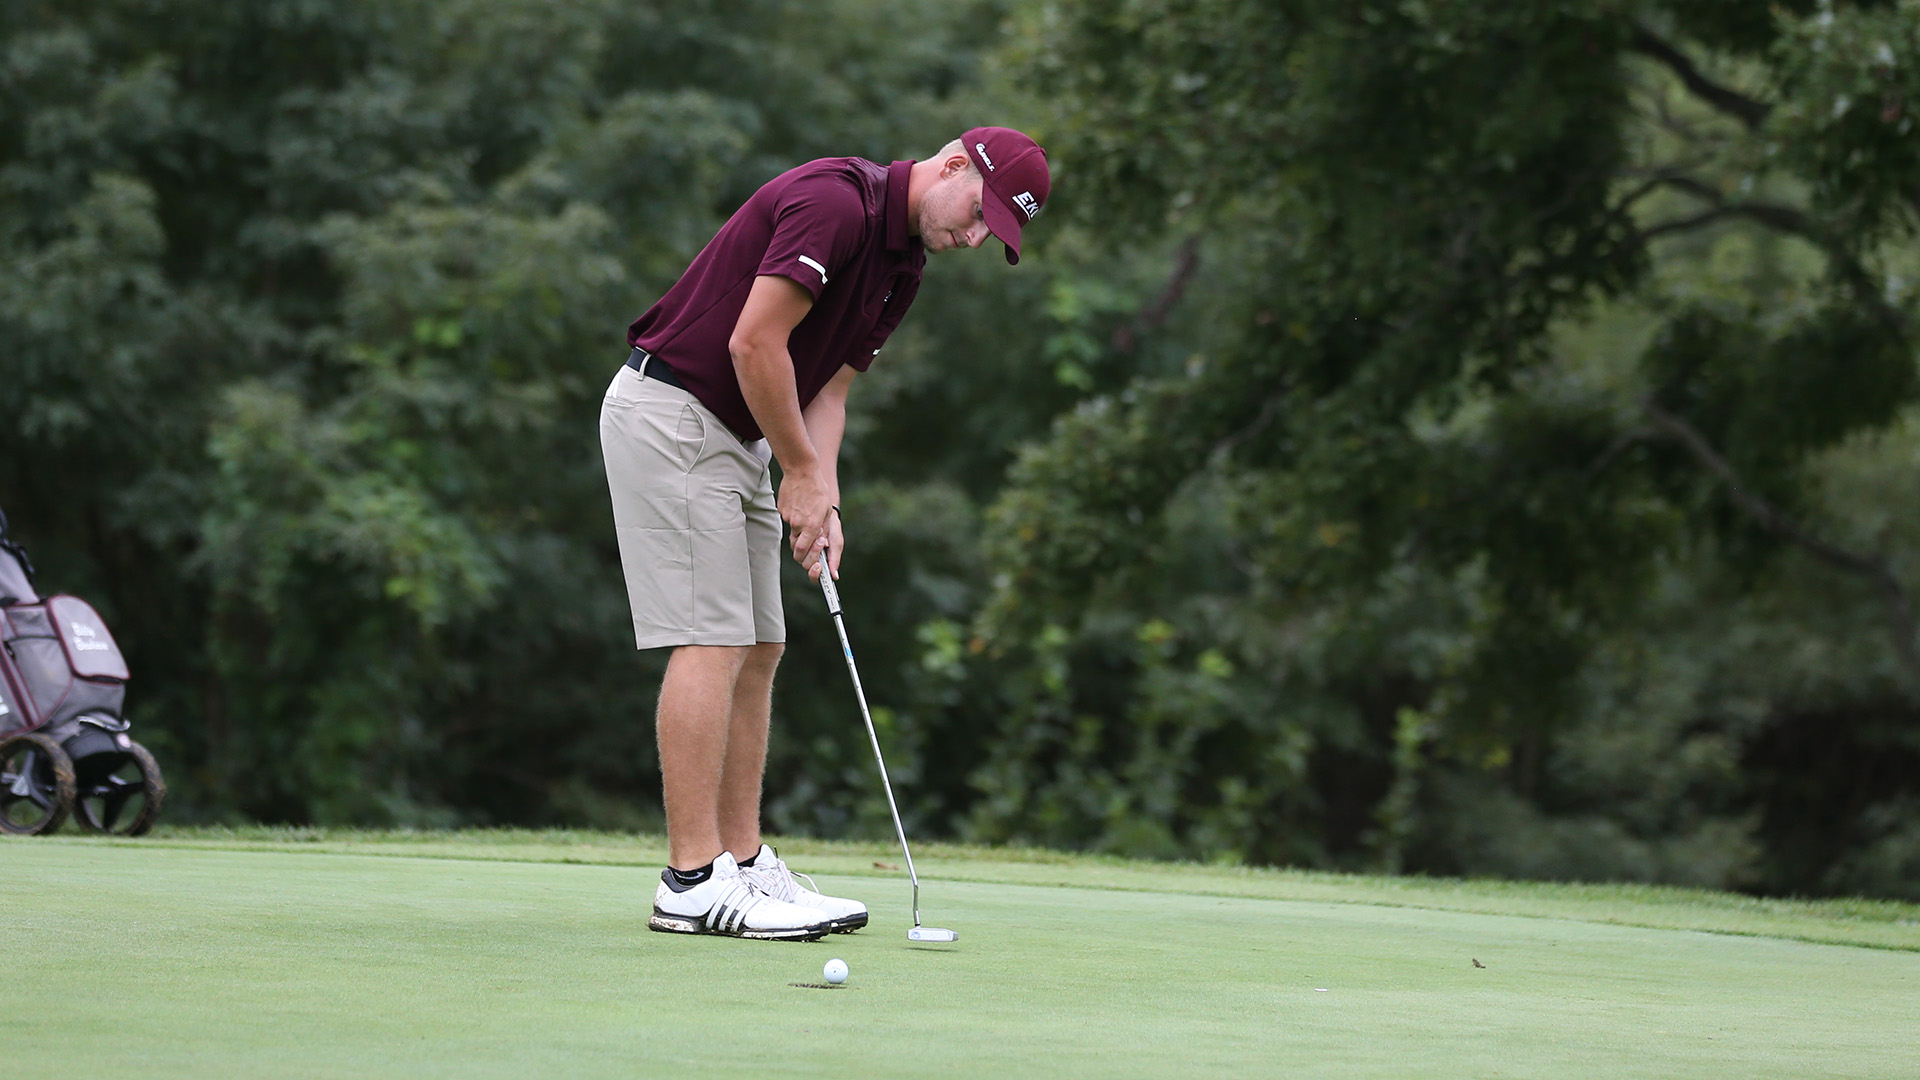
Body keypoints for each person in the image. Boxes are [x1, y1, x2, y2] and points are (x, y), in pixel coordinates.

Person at [600, 127, 1051, 940]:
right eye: (980, 216)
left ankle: (742, 862)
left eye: (995, 234)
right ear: (954, 166)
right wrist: (800, 472)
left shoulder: (903, 269)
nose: (976, 240)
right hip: (674, 414)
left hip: (740, 434)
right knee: (712, 639)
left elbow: (828, 392)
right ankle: (692, 880)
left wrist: (824, 493)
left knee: (760, 645)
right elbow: (753, 342)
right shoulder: (836, 202)